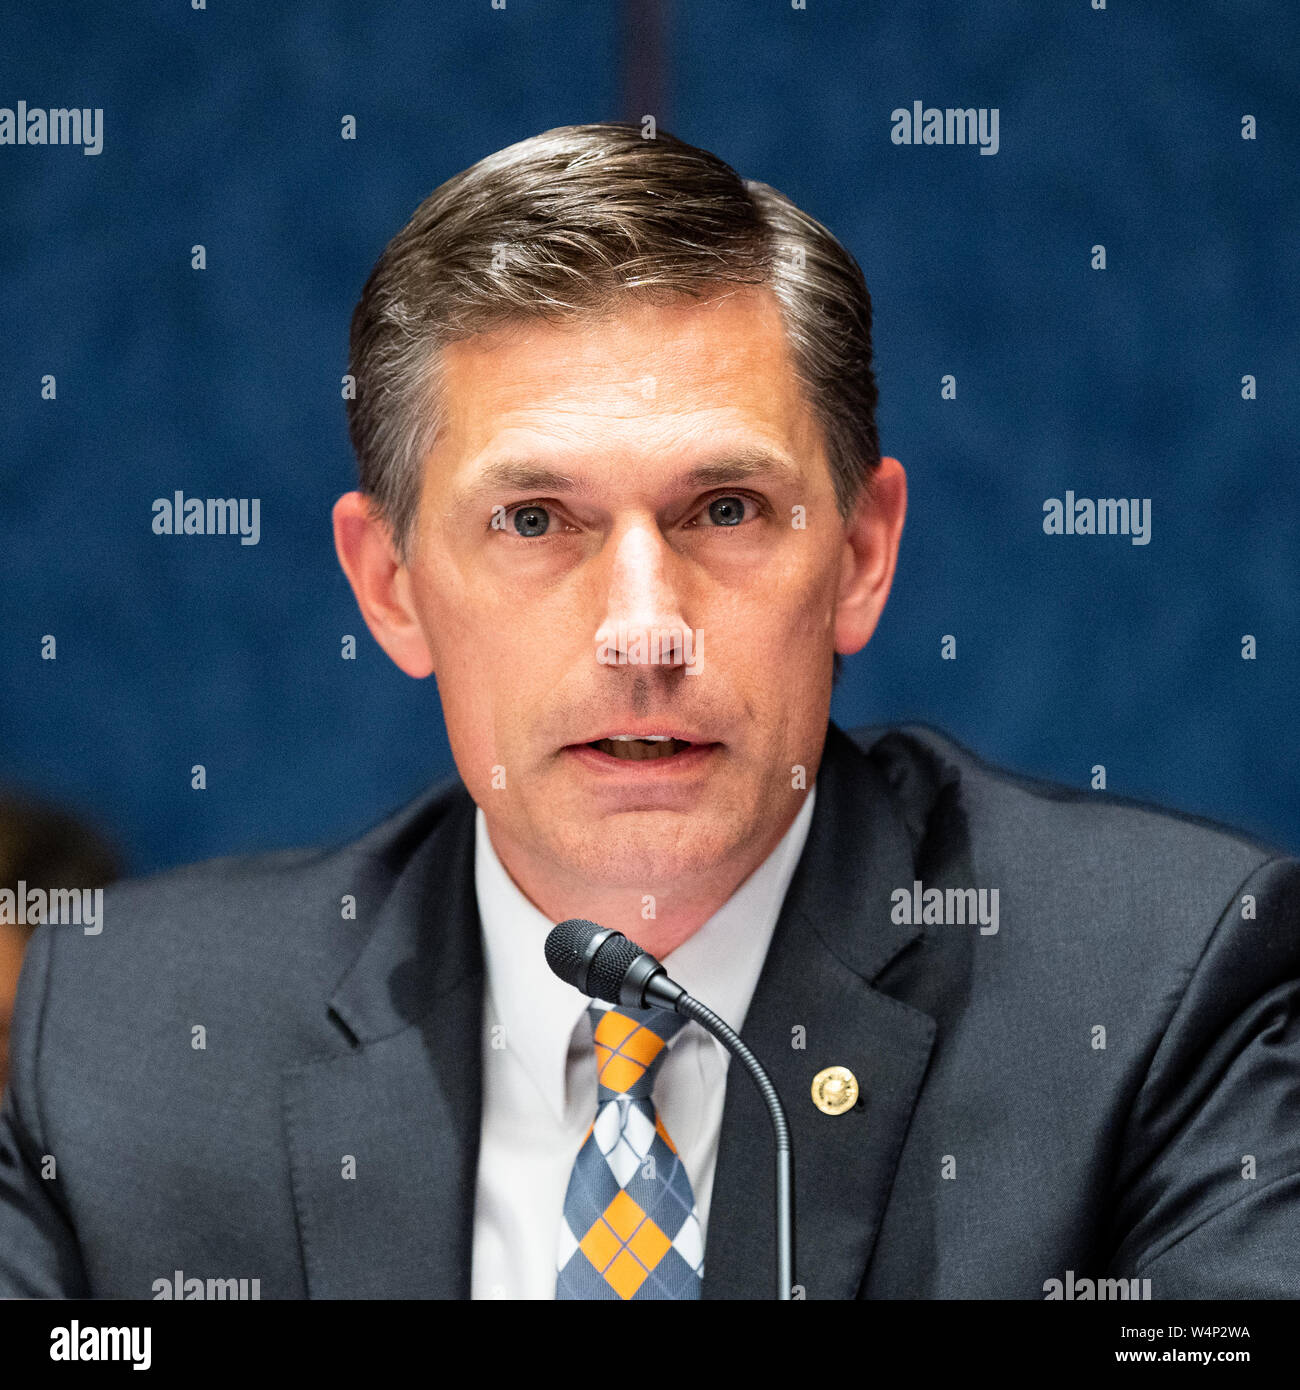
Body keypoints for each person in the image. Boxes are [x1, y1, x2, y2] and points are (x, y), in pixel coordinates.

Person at [1, 123, 1296, 1300]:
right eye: (533, 520)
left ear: (861, 553)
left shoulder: (1155, 997)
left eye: (723, 509)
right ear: (389, 586)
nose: (642, 628)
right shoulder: (130, 1044)